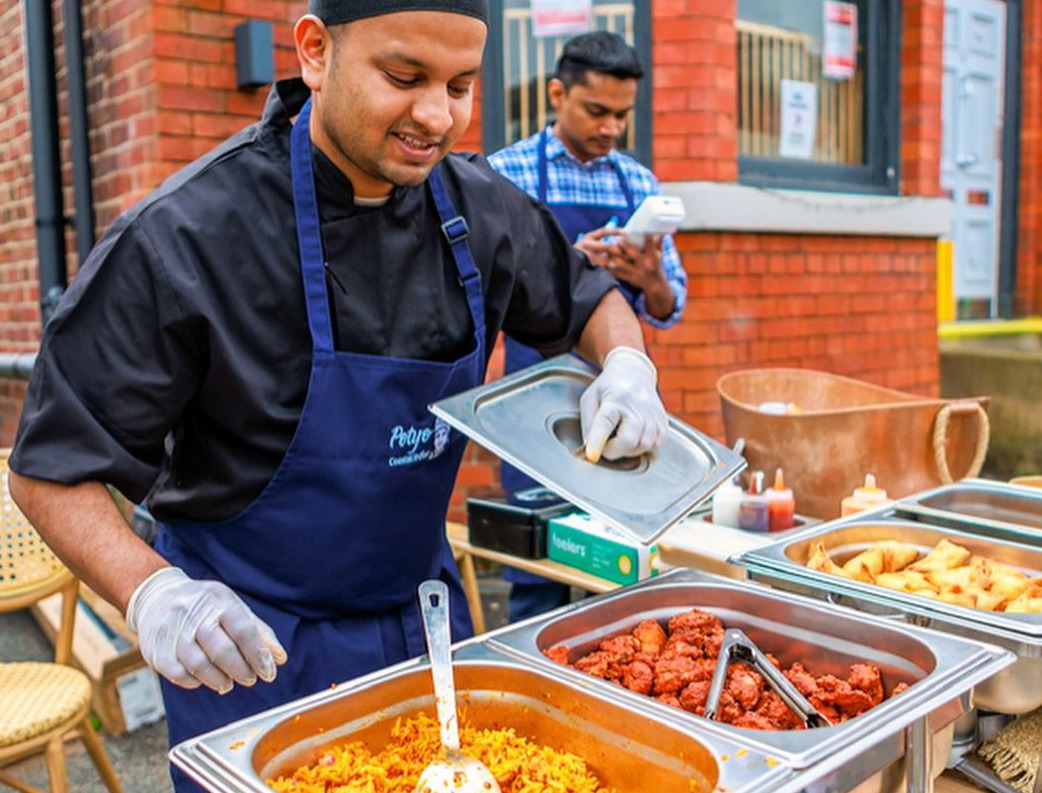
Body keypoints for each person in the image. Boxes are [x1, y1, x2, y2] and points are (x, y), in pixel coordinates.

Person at [7, 1, 668, 790]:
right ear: (316, 52)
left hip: (424, 629)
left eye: (460, 85)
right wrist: (151, 592)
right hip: (248, 651)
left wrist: (626, 364)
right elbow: (51, 468)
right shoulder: (184, 239)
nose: (437, 115)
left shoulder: (480, 208)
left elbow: (589, 298)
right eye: (404, 76)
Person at [488, 31, 686, 622]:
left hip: (624, 405)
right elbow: (483, 296)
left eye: (622, 116)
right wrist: (564, 265)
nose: (611, 128)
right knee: (536, 577)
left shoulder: (639, 184)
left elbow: (668, 306)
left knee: (620, 577)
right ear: (557, 94)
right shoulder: (505, 174)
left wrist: (649, 276)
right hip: (532, 410)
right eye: (597, 111)